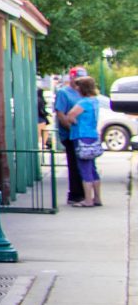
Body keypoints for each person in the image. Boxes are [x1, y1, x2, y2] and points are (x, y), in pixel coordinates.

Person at [63, 76, 105, 207]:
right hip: (92, 135)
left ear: (82, 89)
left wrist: (74, 122)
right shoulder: (95, 101)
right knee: (92, 168)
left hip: (81, 136)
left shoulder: (83, 103)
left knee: (84, 168)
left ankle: (87, 199)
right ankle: (97, 198)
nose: (76, 89)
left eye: (78, 86)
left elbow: (70, 115)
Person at [54, 68, 85, 204]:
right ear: (71, 78)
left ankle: (86, 193)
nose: (79, 82)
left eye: (82, 79)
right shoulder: (63, 93)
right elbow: (60, 113)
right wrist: (70, 128)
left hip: (83, 134)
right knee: (74, 164)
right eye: (77, 78)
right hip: (70, 135)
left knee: (85, 164)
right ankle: (75, 194)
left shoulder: (83, 93)